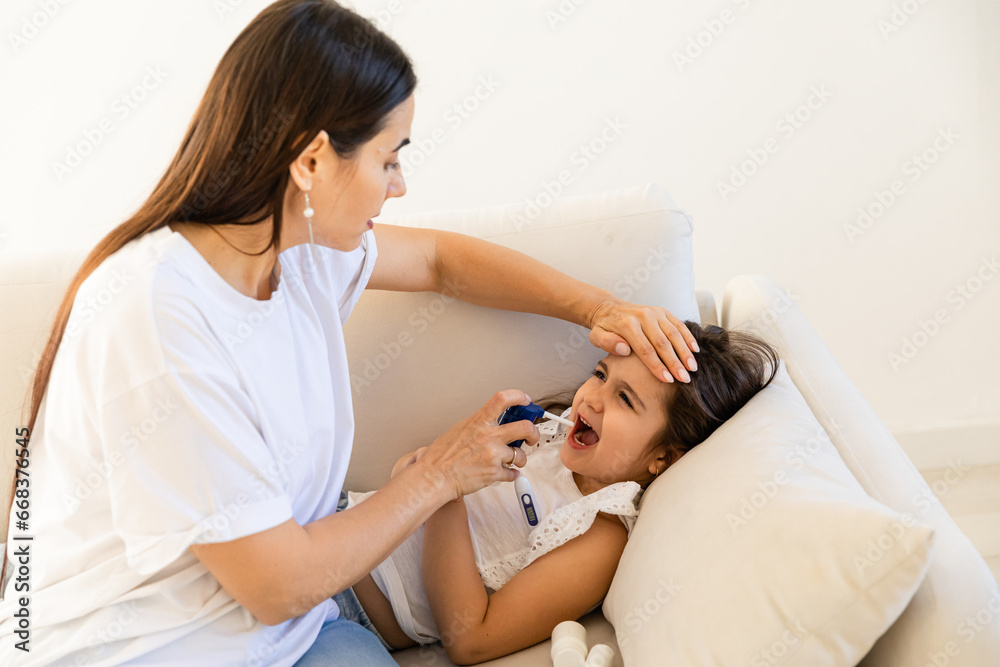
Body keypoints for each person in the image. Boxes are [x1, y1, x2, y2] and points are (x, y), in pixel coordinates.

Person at [0, 1, 702, 665]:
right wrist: (439, 476)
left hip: (287, 629)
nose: (399, 184)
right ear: (310, 163)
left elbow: (441, 261)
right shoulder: (157, 321)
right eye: (389, 157)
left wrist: (598, 309)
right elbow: (278, 583)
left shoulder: (294, 252)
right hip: (148, 645)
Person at [333, 322, 779, 665]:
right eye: (601, 374)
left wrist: (440, 491)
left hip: (352, 605)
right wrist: (419, 473)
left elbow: (469, 639)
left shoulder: (600, 534)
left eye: (625, 399)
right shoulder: (546, 440)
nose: (591, 398)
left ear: (663, 457)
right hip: (332, 520)